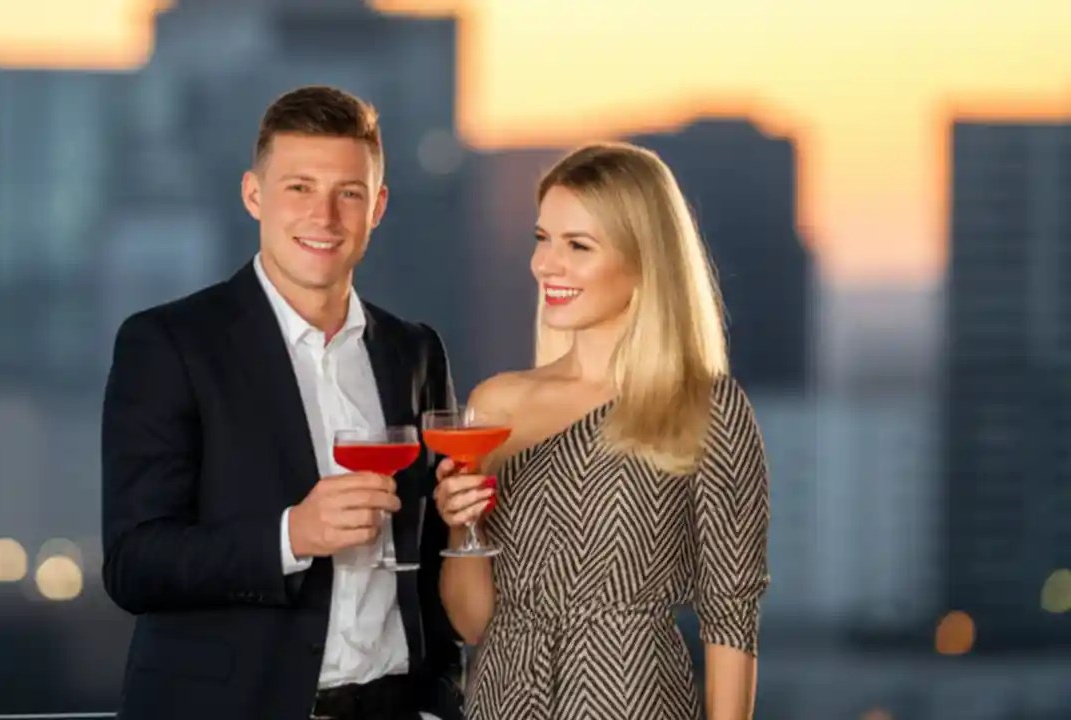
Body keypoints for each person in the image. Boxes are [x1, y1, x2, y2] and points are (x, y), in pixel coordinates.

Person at [101, 85, 463, 720]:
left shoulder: (415, 351)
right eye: (299, 187)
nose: (324, 217)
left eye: (348, 193)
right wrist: (292, 535)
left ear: (376, 206)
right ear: (253, 195)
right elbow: (134, 564)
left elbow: (430, 559)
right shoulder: (169, 344)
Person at [434, 141, 771, 719]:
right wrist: (461, 529)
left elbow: (730, 614)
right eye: (542, 239)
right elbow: (473, 623)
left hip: (635, 700)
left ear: (645, 260)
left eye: (578, 246)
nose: (546, 265)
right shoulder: (496, 403)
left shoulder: (708, 407)